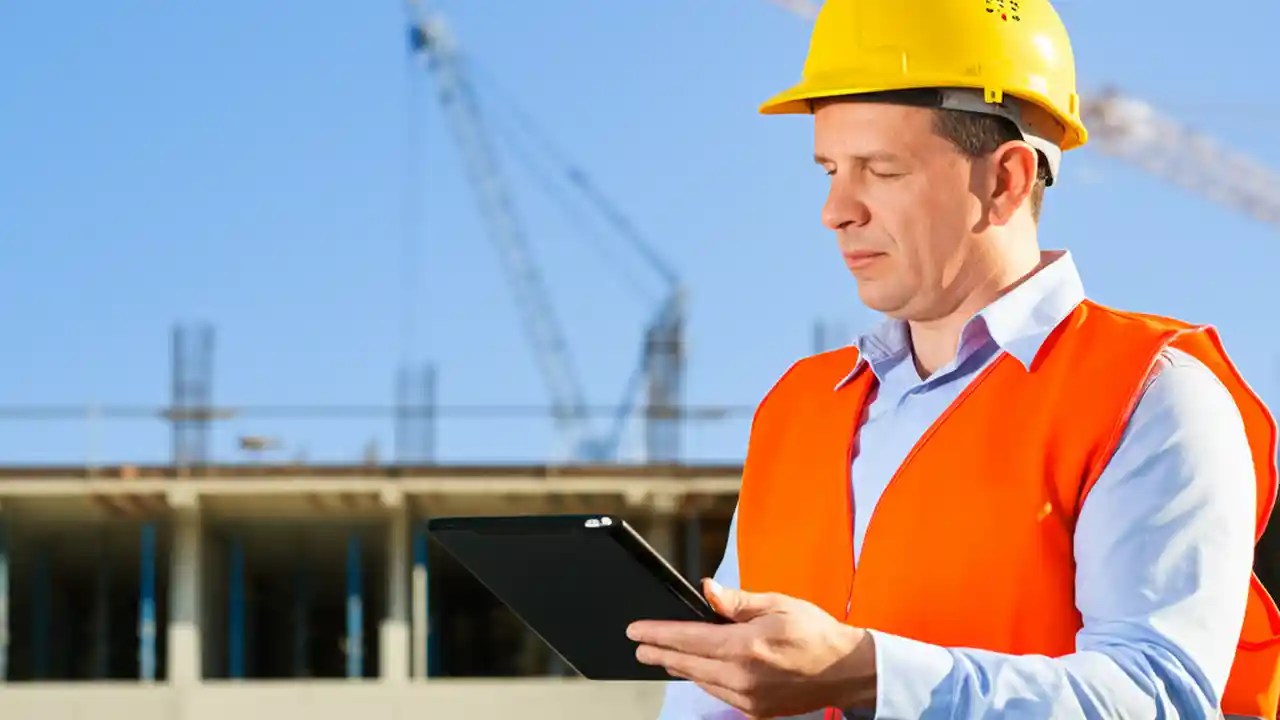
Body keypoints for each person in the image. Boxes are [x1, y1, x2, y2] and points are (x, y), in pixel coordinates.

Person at [624, 0, 1280, 718]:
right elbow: (712, 693)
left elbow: (1158, 698)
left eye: (881, 170)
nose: (837, 210)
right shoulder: (799, 406)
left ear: (1005, 180)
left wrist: (869, 672)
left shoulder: (1152, 393)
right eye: (830, 170)